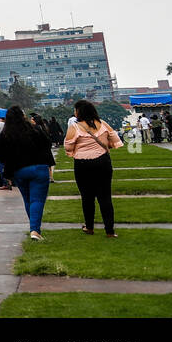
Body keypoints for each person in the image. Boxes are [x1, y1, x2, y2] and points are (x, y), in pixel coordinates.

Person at [0, 105, 55, 241]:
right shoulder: (34, 130)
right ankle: (35, 229)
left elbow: (0, 153)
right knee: (37, 200)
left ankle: (34, 227)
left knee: (28, 199)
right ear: (23, 116)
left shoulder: (6, 134)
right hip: (39, 167)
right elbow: (47, 143)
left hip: (19, 170)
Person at [64, 99, 123, 238]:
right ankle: (110, 230)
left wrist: (76, 151)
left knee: (87, 197)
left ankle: (89, 227)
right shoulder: (103, 124)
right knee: (105, 197)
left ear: (79, 112)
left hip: (82, 164)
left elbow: (68, 147)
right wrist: (105, 145)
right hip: (102, 162)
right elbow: (116, 141)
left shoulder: (75, 127)